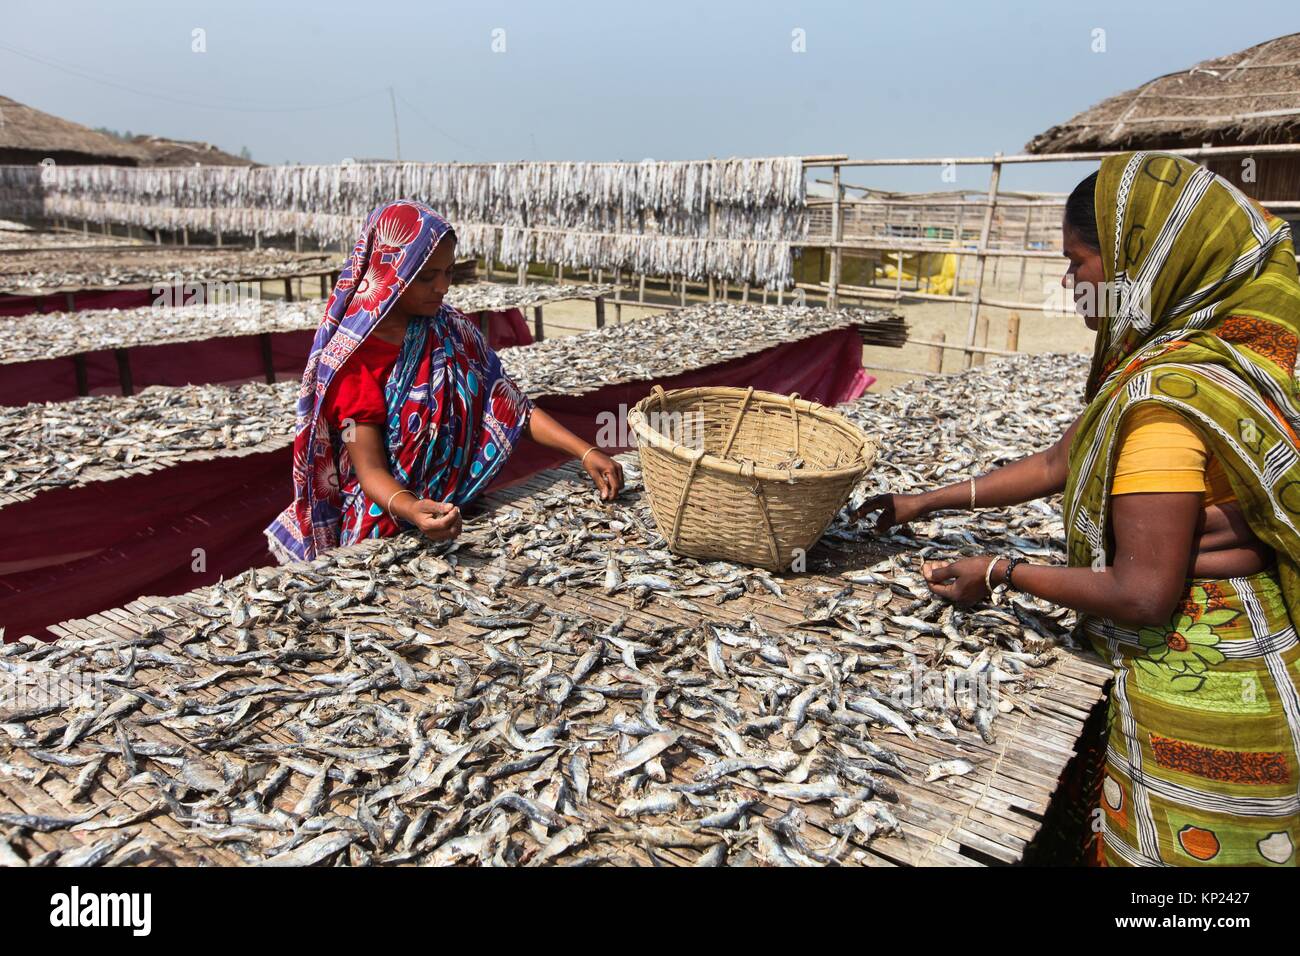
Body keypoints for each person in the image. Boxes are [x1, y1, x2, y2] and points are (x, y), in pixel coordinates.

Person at [860, 152, 1300, 867]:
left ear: (1139, 259)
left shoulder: (1168, 399)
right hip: (1255, 653)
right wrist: (925, 502)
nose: (1071, 283)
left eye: (1078, 262)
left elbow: (1141, 593)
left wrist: (999, 572)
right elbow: (1058, 464)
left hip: (1204, 707)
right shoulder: (1221, 357)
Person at [266, 200, 623, 562]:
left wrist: (585, 451)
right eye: (426, 276)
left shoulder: (452, 329)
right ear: (391, 271)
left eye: (449, 273)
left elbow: (509, 404)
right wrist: (412, 508)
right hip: (384, 534)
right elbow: (370, 470)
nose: (442, 287)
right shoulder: (354, 360)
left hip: (453, 516)